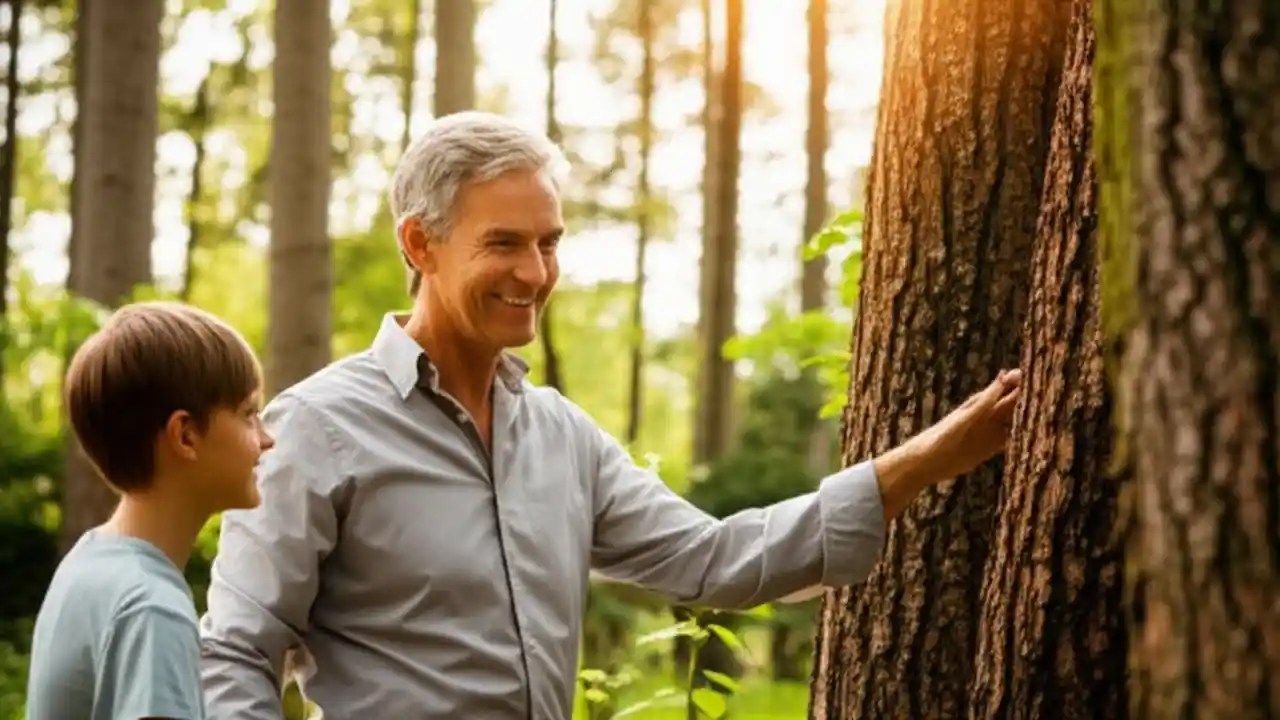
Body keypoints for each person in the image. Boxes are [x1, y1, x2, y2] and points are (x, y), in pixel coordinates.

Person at [199, 111, 1022, 719]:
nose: (535, 272)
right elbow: (237, 650)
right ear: (420, 245)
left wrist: (925, 460)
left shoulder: (560, 435)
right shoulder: (316, 428)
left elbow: (715, 561)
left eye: (548, 243)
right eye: (504, 244)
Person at [25, 302, 275, 720]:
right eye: (249, 414)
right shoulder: (152, 609)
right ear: (186, 436)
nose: (267, 439)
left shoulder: (88, 565)